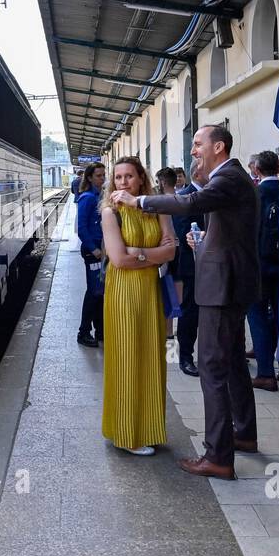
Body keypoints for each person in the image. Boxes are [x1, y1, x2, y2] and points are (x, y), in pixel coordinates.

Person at [111, 125, 260, 479]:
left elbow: (189, 202)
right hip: (231, 283)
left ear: (218, 147)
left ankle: (218, 456)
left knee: (212, 368)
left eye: (197, 144)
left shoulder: (228, 178)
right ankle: (244, 433)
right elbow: (230, 230)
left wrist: (139, 201)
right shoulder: (233, 178)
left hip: (222, 288)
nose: (193, 150)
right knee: (235, 360)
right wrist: (206, 240)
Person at [100, 157, 177, 455]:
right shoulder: (111, 213)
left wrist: (140, 252)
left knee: (151, 356)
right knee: (127, 357)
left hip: (149, 291)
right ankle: (126, 433)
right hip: (122, 292)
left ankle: (148, 427)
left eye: (128, 177)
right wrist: (150, 255)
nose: (122, 183)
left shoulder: (156, 208)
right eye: (117, 178)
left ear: (141, 180)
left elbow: (171, 251)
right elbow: (119, 260)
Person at [247, 150, 279, 391]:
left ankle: (265, 372)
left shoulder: (255, 195)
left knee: (257, 315)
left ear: (256, 170)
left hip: (258, 265)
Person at [171, 161, 204, 377]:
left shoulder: (213, 194)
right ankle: (184, 357)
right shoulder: (184, 197)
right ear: (199, 173)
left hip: (214, 265)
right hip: (192, 265)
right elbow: (183, 232)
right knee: (190, 312)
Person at [74, 162, 106, 348]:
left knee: (100, 292)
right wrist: (94, 249)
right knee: (94, 291)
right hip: (93, 251)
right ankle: (84, 332)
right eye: (98, 176)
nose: (102, 178)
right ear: (89, 178)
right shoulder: (87, 198)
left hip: (101, 250)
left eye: (103, 175)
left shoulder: (100, 196)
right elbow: (82, 228)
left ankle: (100, 330)